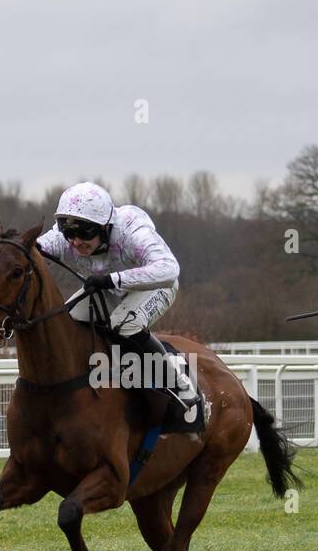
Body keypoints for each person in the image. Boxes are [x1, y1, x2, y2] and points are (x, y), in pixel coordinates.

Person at [35, 181, 199, 422]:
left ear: (105, 226)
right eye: (70, 233)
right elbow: (33, 250)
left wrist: (112, 280)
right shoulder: (66, 238)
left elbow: (169, 269)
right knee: (66, 320)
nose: (76, 242)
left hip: (155, 287)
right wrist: (4, 244)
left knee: (123, 323)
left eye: (85, 233)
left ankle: (180, 385)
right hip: (110, 288)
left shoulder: (132, 230)